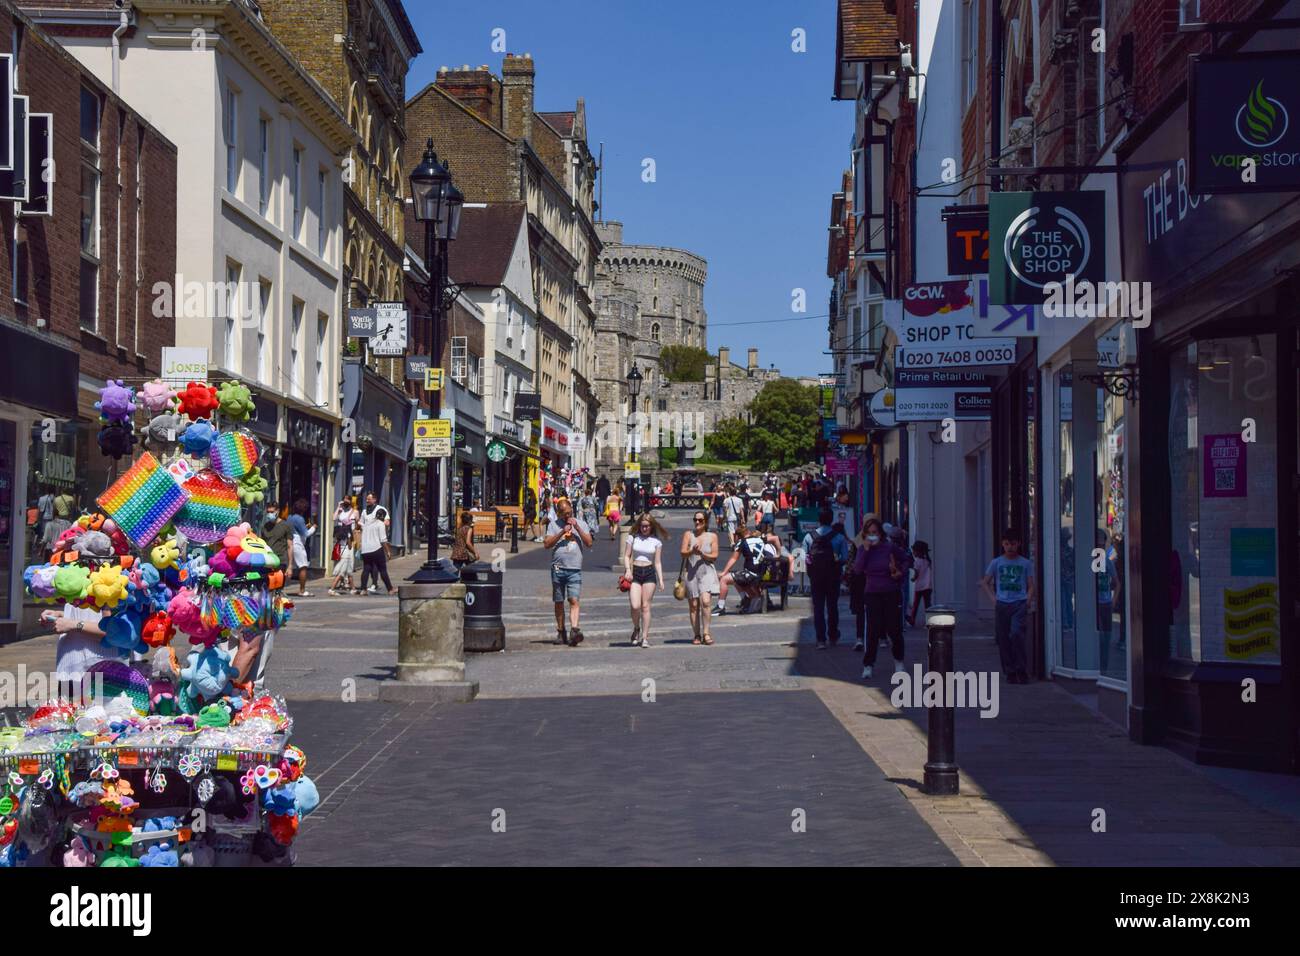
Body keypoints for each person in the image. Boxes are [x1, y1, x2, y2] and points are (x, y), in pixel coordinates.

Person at [856, 516, 912, 677]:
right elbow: (858, 569)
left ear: (880, 534)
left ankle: (899, 661)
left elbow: (906, 559)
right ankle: (868, 665)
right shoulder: (863, 549)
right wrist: (865, 551)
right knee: (872, 630)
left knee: (894, 629)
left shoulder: (889, 548)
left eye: (875, 532)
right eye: (869, 533)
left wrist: (900, 572)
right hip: (872, 592)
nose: (872, 536)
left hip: (891, 591)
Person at [980, 528, 1035, 684]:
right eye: (1006, 544)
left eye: (1012, 544)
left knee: (1017, 634)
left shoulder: (1025, 563)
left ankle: (1021, 669)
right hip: (1002, 604)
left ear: (1018, 544)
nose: (1010, 547)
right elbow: (985, 582)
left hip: (1019, 603)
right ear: (1003, 545)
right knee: (1003, 639)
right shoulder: (996, 562)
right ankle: (1010, 671)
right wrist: (993, 599)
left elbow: (1031, 584)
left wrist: (1028, 600)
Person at [545, 496, 593, 646]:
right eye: (564, 513)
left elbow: (589, 542)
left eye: (569, 512)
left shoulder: (581, 524)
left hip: (574, 568)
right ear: (559, 514)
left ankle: (574, 630)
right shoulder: (553, 525)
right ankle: (561, 631)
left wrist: (577, 528)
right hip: (558, 568)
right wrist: (561, 532)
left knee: (574, 599)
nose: (568, 516)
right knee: (559, 601)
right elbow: (547, 544)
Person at [803, 507, 850, 649]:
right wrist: (835, 562)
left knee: (818, 607)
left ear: (819, 520)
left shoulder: (809, 537)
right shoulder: (839, 537)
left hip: (816, 576)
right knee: (832, 606)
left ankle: (820, 639)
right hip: (833, 575)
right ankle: (833, 635)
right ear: (831, 520)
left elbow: (805, 557)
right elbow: (845, 558)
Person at [623, 513, 666, 647]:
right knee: (635, 605)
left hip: (649, 572)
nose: (644, 528)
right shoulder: (632, 538)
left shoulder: (656, 542)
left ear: (651, 526)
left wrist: (661, 579)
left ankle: (645, 637)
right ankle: (636, 628)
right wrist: (628, 570)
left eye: (647, 526)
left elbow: (657, 562)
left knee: (646, 606)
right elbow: (626, 555)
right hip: (635, 571)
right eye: (642, 526)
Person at [681, 511, 719, 645]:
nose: (697, 522)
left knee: (706, 601)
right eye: (695, 520)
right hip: (691, 571)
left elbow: (714, 556)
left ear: (706, 522)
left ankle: (706, 633)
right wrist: (692, 551)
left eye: (700, 520)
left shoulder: (712, 536)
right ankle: (697, 634)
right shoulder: (688, 535)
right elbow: (683, 553)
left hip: (706, 571)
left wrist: (702, 554)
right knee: (694, 605)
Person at [715, 523, 766, 615]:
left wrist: (724, 572)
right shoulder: (760, 539)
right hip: (761, 573)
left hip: (751, 574)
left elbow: (733, 558)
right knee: (736, 577)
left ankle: (720, 607)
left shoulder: (742, 542)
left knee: (724, 579)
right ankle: (745, 600)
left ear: (737, 536)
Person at [358, 492, 397, 596]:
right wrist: (388, 551)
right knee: (383, 569)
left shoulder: (366, 525)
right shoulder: (380, 524)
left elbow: (361, 526)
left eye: (369, 499)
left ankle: (363, 589)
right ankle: (390, 589)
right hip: (376, 549)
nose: (367, 501)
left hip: (366, 549)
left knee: (366, 569)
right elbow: (383, 540)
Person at [906, 540, 934, 627]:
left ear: (918, 552)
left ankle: (912, 619)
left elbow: (917, 572)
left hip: (919, 586)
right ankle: (929, 621)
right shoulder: (927, 560)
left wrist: (913, 578)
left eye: (914, 551)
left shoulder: (917, 561)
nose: (913, 552)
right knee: (927, 605)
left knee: (915, 604)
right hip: (928, 586)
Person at [328, 524, 357, 595]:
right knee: (341, 574)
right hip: (346, 555)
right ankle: (332, 589)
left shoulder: (339, 536)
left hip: (342, 554)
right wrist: (349, 537)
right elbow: (350, 547)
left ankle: (353, 589)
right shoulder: (347, 536)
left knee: (349, 573)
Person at [721, 484, 745, 549]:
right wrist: (743, 518)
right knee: (736, 531)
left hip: (730, 516)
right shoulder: (739, 500)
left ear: (729, 493)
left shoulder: (726, 500)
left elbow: (725, 510)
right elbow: (741, 510)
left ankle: (732, 542)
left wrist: (724, 517)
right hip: (737, 517)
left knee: (730, 531)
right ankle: (735, 542)